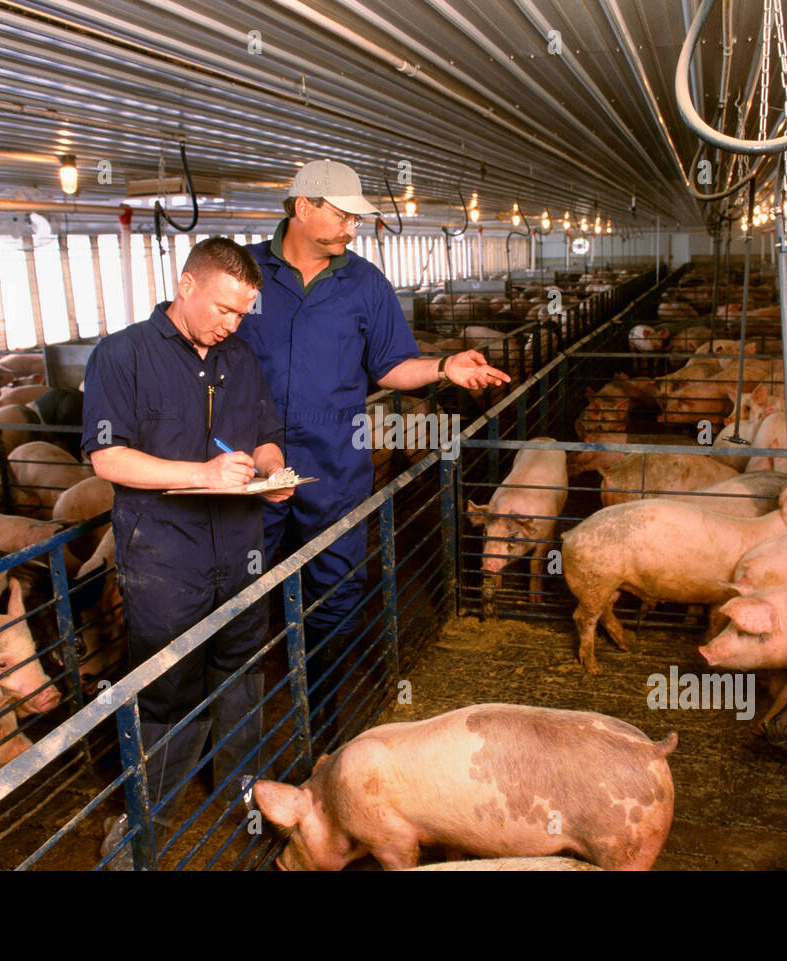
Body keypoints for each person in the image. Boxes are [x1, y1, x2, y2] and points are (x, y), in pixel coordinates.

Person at [241, 160, 508, 749]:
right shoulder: (245, 273)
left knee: (336, 589)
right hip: (248, 465)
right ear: (302, 207)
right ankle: (241, 718)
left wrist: (444, 367)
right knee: (240, 587)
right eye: (342, 215)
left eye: (356, 220)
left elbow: (391, 367)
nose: (352, 230)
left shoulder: (364, 283)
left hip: (335, 459)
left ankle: (322, 708)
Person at [82, 237, 292, 868]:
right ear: (186, 285)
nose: (232, 324)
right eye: (224, 309)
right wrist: (202, 475)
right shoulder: (122, 355)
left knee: (240, 669)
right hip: (163, 558)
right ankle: (149, 814)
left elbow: (265, 437)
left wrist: (274, 472)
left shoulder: (241, 358)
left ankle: (241, 790)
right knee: (166, 683)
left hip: (240, 547)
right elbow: (106, 456)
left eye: (242, 313)